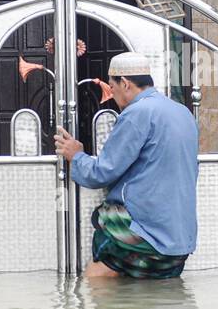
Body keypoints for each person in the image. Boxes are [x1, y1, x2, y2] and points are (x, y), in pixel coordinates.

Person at [53, 52, 198, 279]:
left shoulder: (137, 113)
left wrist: (77, 155)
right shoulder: (182, 112)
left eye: (112, 87)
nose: (111, 95)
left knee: (96, 272)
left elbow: (102, 173)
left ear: (125, 84)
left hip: (149, 234)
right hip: (181, 242)